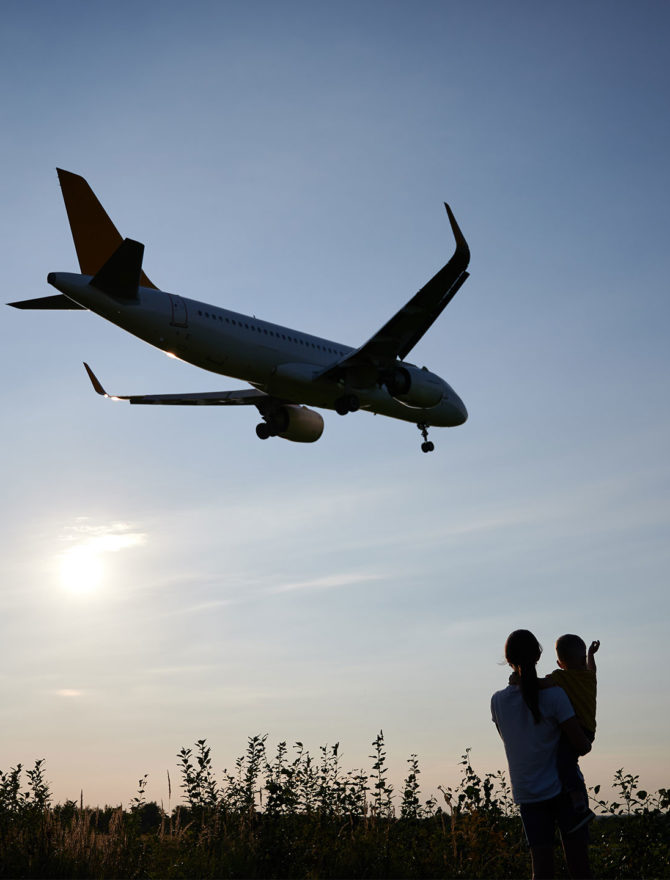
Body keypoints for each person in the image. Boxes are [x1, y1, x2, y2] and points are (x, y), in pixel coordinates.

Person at [491, 630, 593, 880]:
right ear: (538, 655)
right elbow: (582, 745)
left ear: (508, 659)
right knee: (580, 868)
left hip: (528, 793)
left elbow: (512, 741)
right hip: (565, 792)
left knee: (542, 870)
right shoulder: (555, 695)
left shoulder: (497, 702)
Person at [548, 635, 599, 822]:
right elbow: (593, 668)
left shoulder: (560, 677)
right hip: (589, 730)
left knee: (564, 761)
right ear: (583, 659)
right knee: (568, 760)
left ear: (560, 663)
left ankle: (577, 797)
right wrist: (592, 655)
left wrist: (518, 680)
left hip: (576, 730)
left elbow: (541, 684)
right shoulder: (588, 677)